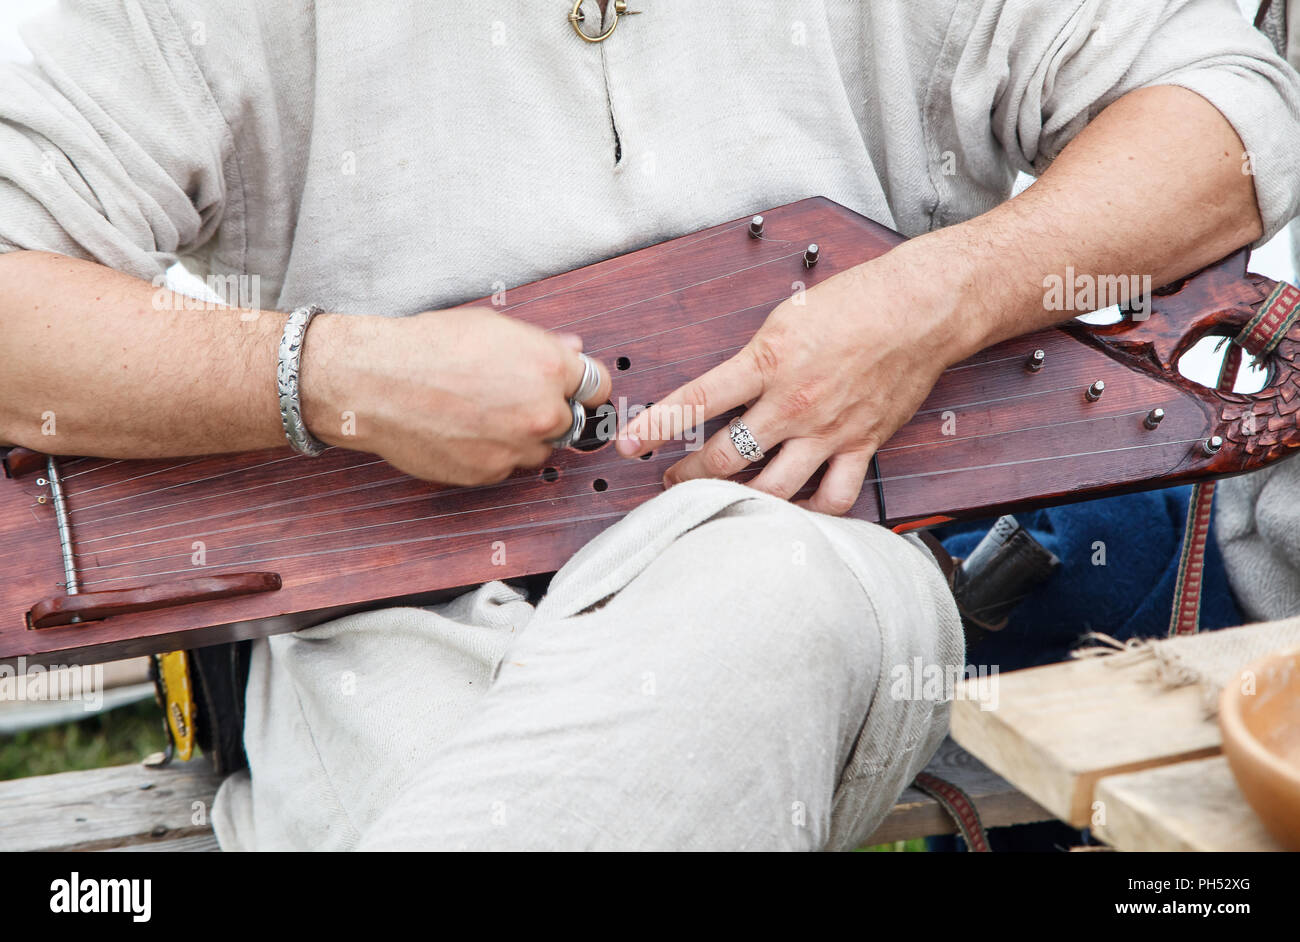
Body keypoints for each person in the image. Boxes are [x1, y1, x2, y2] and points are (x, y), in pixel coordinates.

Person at [0, 1, 1297, 851]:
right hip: (388, 614)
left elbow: (1234, 115)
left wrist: (925, 299)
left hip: (824, 556)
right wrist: (332, 373)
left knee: (765, 594)